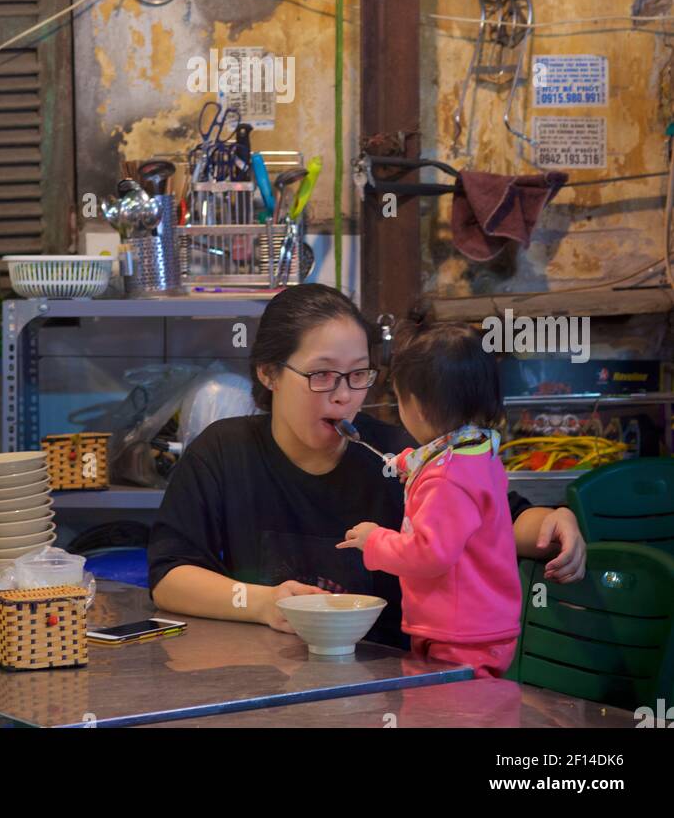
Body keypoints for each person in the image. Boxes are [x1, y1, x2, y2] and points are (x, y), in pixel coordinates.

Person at [149, 285, 586, 647]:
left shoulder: (405, 456)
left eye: (359, 375)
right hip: (266, 675)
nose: (343, 396)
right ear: (269, 372)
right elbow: (171, 576)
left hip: (389, 684)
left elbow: (498, 520)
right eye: (321, 375)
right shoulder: (225, 451)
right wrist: (263, 603)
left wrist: (555, 521)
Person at [337, 321, 522, 677]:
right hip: (479, 625)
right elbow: (441, 462)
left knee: (448, 712)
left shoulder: (447, 479)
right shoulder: (477, 450)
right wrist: (411, 463)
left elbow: (430, 553)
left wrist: (375, 541)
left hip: (459, 634)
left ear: (416, 407)